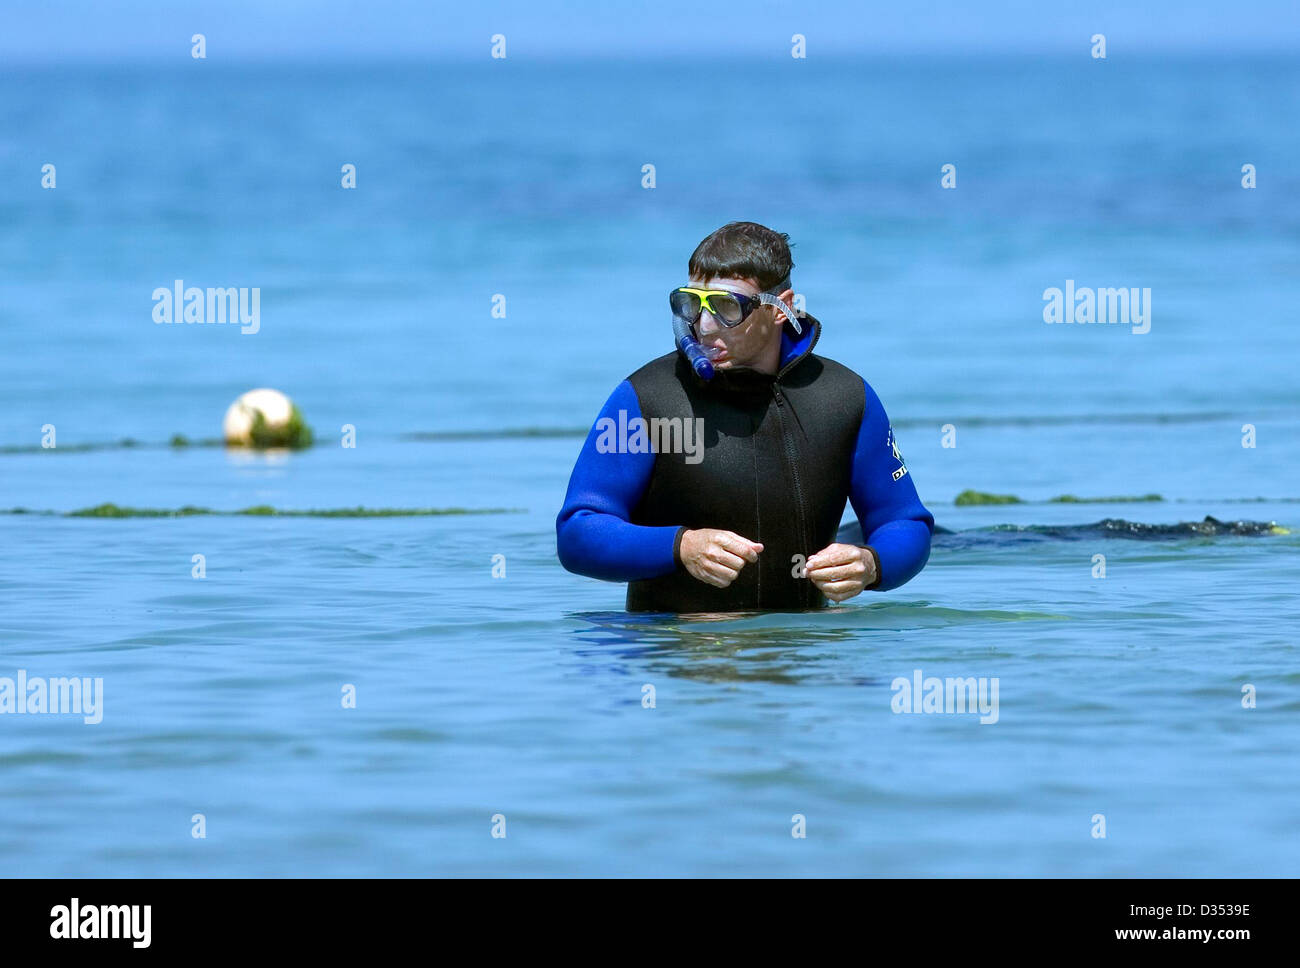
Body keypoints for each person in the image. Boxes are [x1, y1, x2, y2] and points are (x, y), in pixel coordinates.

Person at [556, 221, 934, 612]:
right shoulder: (646, 399)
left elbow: (905, 522)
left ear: (779, 309)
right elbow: (577, 531)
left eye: (726, 307)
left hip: (806, 657)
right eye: (692, 304)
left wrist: (872, 564)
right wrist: (680, 546)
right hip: (678, 658)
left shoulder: (843, 398)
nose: (703, 326)